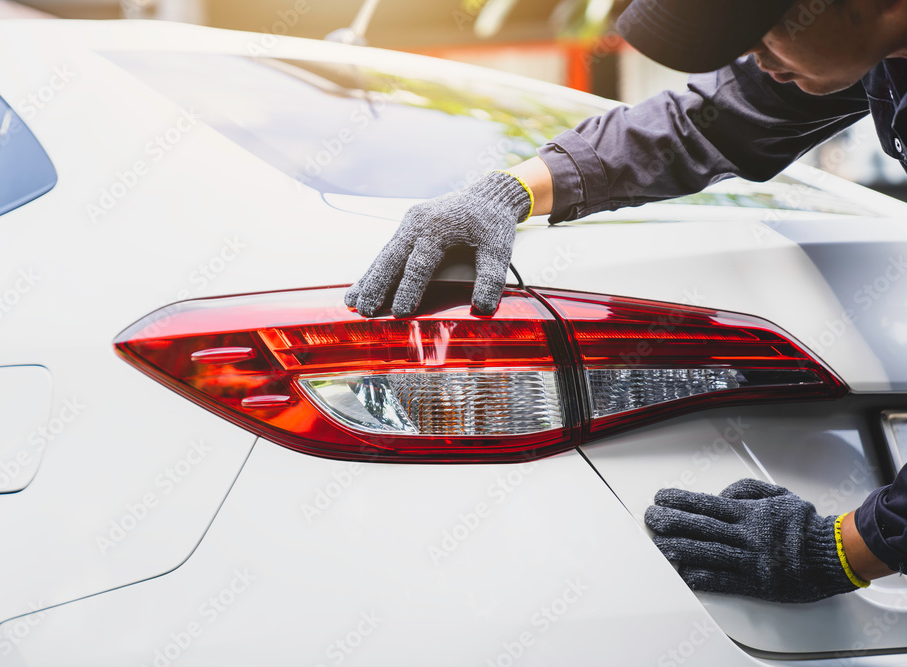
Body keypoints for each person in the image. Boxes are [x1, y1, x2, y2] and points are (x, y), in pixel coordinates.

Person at [344, 0, 907, 603]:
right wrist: (512, 189)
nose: (753, 57)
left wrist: (849, 548)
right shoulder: (865, 56)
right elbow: (705, 122)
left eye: (764, 34)